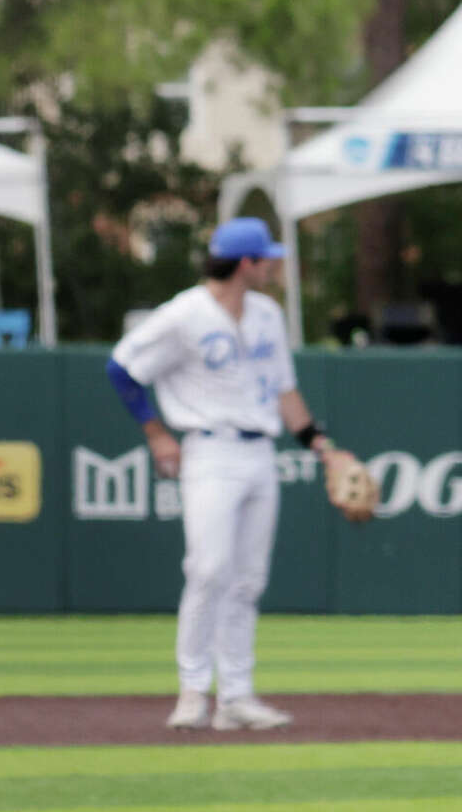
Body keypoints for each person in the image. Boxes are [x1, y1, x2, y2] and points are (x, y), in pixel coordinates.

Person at [106, 216, 345, 731]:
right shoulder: (184, 315)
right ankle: (193, 692)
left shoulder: (266, 314)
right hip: (210, 451)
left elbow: (285, 391)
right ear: (246, 263)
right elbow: (121, 368)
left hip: (261, 453)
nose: (274, 266)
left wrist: (319, 444)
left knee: (247, 580)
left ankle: (235, 695)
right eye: (267, 258)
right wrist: (156, 432)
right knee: (209, 570)